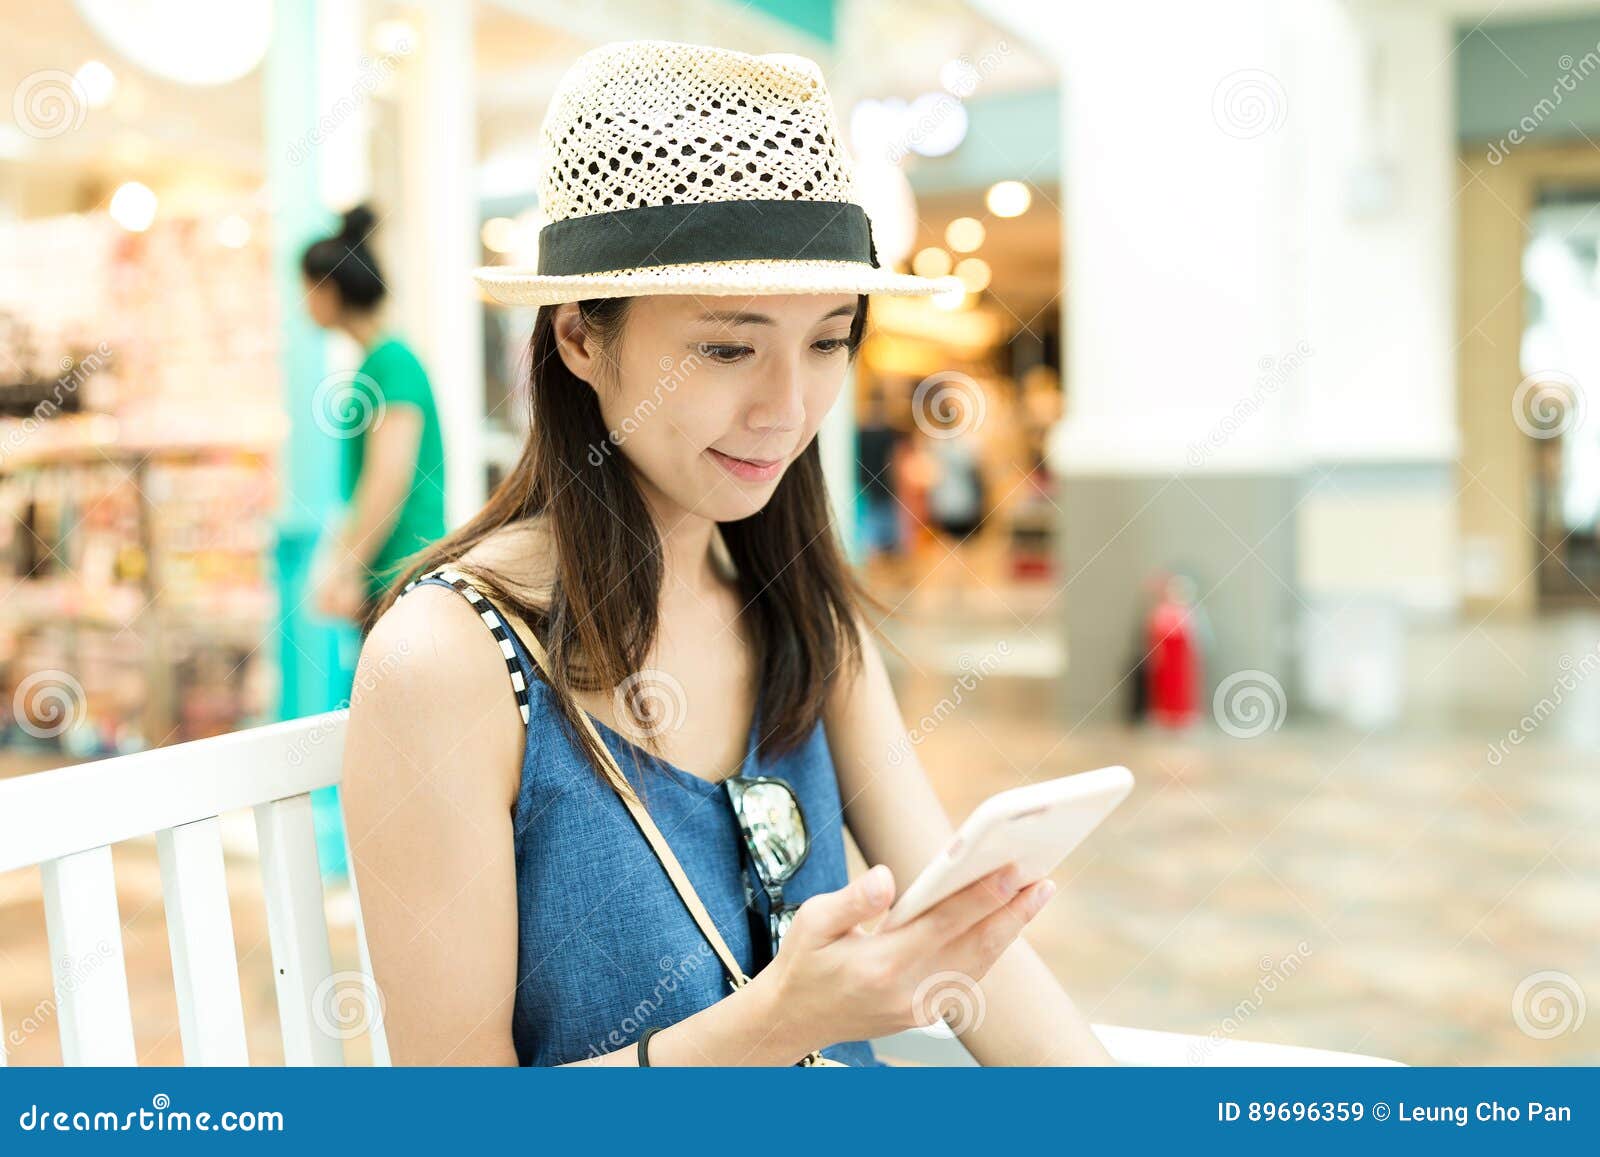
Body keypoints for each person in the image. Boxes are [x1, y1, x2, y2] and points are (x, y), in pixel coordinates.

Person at [341, 40, 1112, 1068]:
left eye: (829, 339)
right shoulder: (450, 657)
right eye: (727, 346)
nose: (786, 410)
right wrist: (777, 1021)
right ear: (578, 337)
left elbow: (974, 941)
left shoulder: (794, 603)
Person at [301, 204, 446, 630]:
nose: (302, 303)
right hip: (389, 578)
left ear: (328, 290)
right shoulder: (375, 364)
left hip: (404, 575)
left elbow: (389, 477)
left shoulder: (392, 362)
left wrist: (345, 568)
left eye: (306, 288)